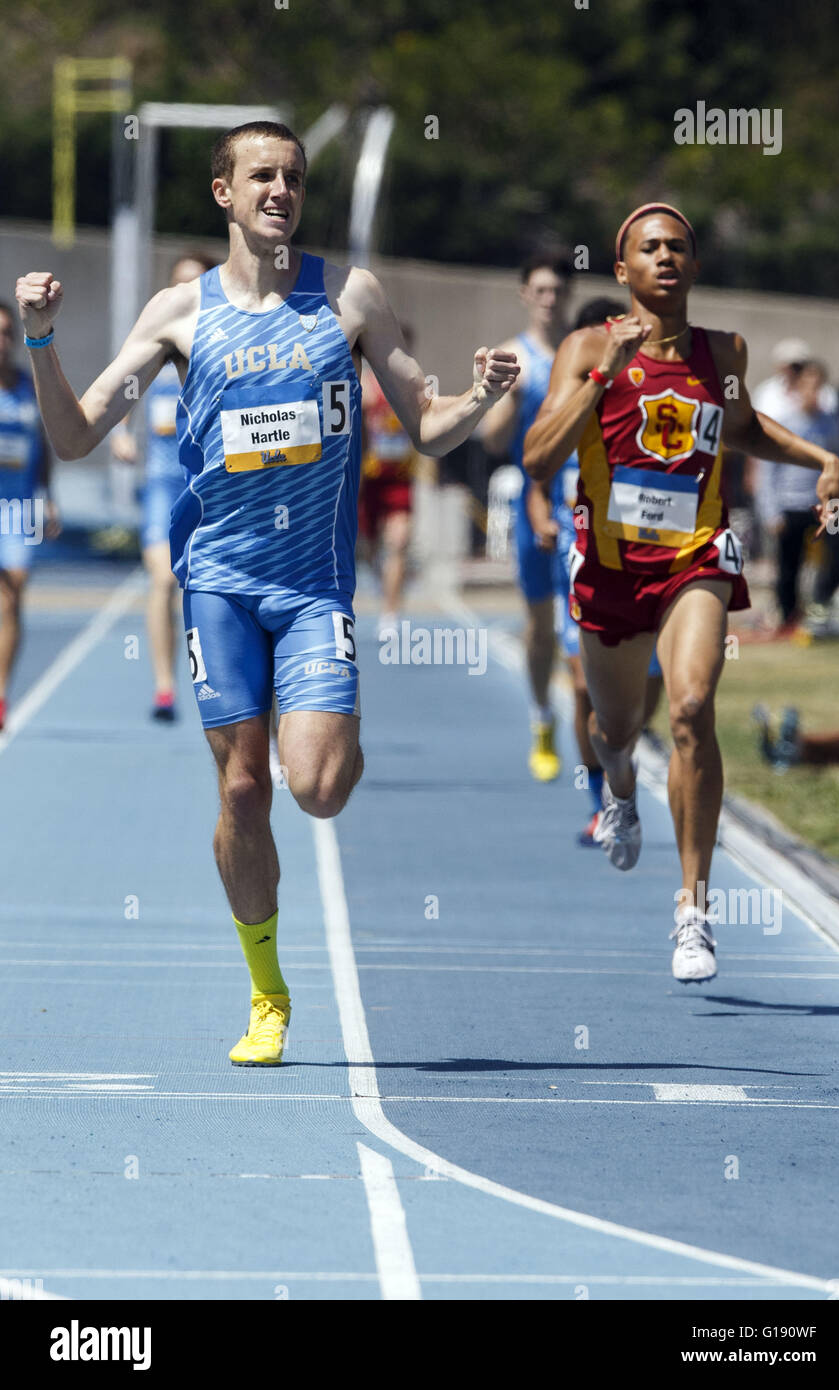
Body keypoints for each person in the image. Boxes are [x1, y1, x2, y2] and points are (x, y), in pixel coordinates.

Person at [16, 120, 519, 1065]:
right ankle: (268, 993)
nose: (280, 190)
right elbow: (77, 436)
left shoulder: (350, 296)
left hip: (315, 584)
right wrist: (43, 340)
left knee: (319, 788)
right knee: (245, 789)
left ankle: (335, 738)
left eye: (292, 177)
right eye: (261, 176)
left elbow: (429, 426)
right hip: (219, 585)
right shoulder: (178, 314)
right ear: (225, 193)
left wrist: (482, 395)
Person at [524, 202, 839, 983]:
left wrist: (820, 458)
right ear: (622, 268)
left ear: (696, 268)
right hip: (609, 568)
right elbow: (538, 455)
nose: (666, 258)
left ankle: (693, 910)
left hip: (694, 557)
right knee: (614, 728)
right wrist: (606, 374)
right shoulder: (587, 347)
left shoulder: (723, 350)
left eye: (679, 248)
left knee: (693, 707)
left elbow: (741, 428)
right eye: (650, 248)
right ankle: (621, 793)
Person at [525, 294, 664, 845]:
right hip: (577, 556)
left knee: (639, 698)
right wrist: (540, 516)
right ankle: (600, 801)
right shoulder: (569, 389)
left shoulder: (644, 393)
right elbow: (537, 470)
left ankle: (622, 761)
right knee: (584, 684)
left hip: (641, 556)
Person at [110, 252, 217, 720]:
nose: (183, 295)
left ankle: (219, 682)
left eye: (193, 285)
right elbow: (127, 387)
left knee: (212, 587)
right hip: (162, 484)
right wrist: (121, 433)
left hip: (210, 487)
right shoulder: (158, 345)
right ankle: (164, 686)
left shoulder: (218, 346)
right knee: (161, 578)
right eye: (176, 284)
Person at [481, 251, 573, 781]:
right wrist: (508, 405)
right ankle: (543, 716)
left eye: (558, 290)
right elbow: (492, 442)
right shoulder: (514, 357)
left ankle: (605, 720)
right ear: (525, 295)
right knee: (539, 627)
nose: (549, 299)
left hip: (586, 501)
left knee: (587, 623)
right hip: (534, 501)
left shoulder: (588, 350)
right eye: (540, 290)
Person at [755, 361, 839, 633]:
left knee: (835, 555)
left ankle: (822, 608)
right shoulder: (785, 423)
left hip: (823, 505)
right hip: (790, 503)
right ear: (798, 388)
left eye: (818, 386)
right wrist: (771, 511)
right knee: (788, 565)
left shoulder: (832, 422)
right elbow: (767, 471)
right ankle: (787, 616)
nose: (813, 392)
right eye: (808, 385)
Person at [0, 301, 60, 729]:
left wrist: (48, 497)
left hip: (18, 510)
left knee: (11, 594)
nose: (0, 341)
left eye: (6, 332)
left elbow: (43, 450)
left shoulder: (28, 389)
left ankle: (1, 693)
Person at [358, 324, 419, 639]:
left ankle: (390, 613)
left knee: (398, 542)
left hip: (399, 481)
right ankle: (386, 586)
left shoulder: (414, 389)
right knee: (368, 551)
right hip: (368, 483)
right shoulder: (366, 386)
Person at [754, 704, 839, 770]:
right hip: (805, 749)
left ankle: (777, 732)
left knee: (782, 752)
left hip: (805, 751)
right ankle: (779, 733)